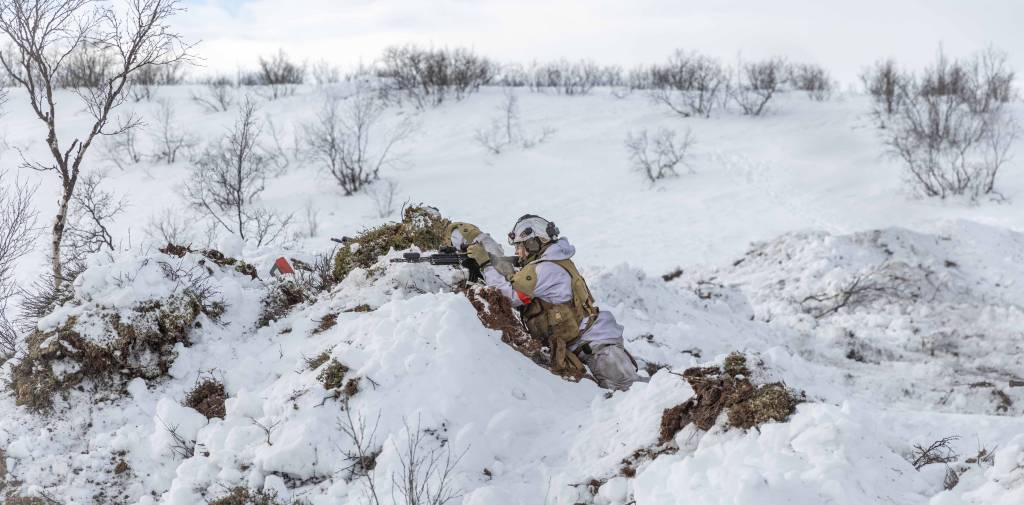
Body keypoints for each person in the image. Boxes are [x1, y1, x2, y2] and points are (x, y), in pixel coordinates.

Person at [454, 215, 643, 391]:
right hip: (588, 346)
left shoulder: (545, 269)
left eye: (520, 245)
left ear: (533, 242)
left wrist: (486, 265)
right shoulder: (553, 261)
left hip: (600, 352)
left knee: (636, 400)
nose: (518, 252)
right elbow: (517, 280)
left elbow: (509, 295)